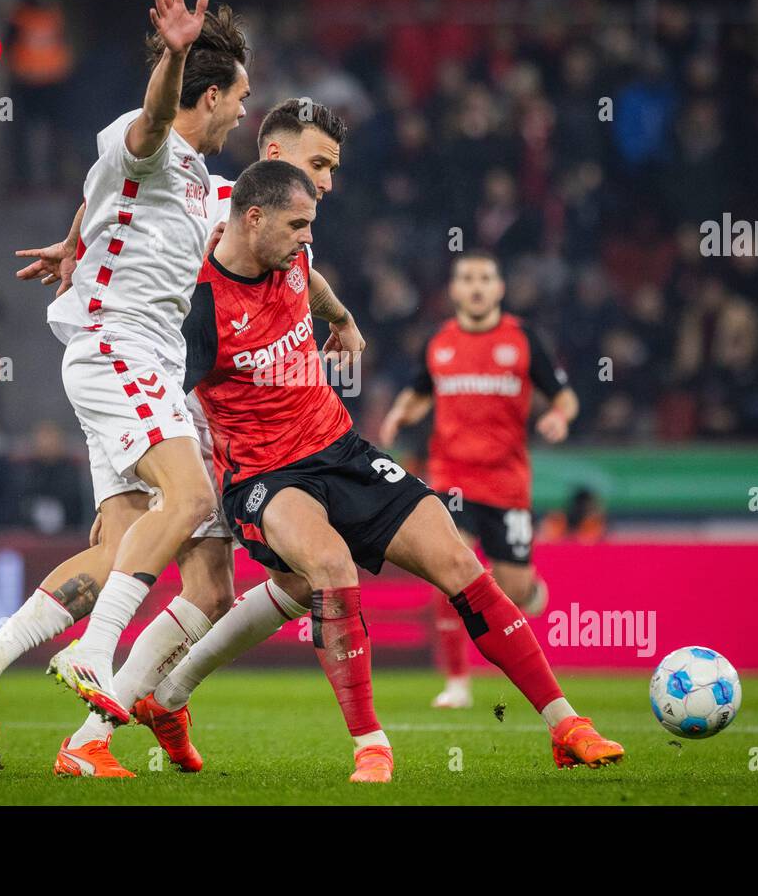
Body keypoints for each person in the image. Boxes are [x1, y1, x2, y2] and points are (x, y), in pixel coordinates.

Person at [138, 160, 623, 782]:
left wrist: (339, 318)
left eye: (311, 225)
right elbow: (166, 400)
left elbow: (311, 278)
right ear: (252, 218)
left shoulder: (290, 259)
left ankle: (565, 725)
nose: (307, 238)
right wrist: (169, 483)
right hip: (265, 478)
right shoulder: (200, 304)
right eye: (297, 225)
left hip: (342, 450)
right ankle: (372, 743)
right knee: (331, 568)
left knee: (461, 564)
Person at [0, 97, 359, 781]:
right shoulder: (220, 200)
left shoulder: (228, 201)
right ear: (275, 158)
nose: (328, 183)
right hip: (150, 380)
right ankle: (99, 708)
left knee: (160, 564)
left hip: (143, 381)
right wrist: (81, 242)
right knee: (201, 554)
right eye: (319, 164)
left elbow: (302, 271)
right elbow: (117, 171)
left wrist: (339, 315)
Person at [0, 0, 252, 768]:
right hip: (120, 349)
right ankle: (95, 655)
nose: (244, 113)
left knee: (119, 550)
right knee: (191, 497)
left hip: (128, 360)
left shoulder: (205, 191)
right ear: (207, 94)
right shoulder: (144, 138)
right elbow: (148, 128)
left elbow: (112, 200)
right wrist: (174, 57)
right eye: (239, 97)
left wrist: (79, 239)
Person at [377, 251, 578, 708]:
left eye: (485, 277)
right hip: (451, 480)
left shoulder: (524, 340)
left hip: (507, 487)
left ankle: (527, 591)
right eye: (467, 278)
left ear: (499, 288)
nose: (476, 286)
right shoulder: (439, 342)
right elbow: (419, 391)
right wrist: (398, 413)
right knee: (450, 570)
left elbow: (564, 396)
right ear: (454, 289)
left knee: (514, 592)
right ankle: (457, 682)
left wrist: (561, 419)